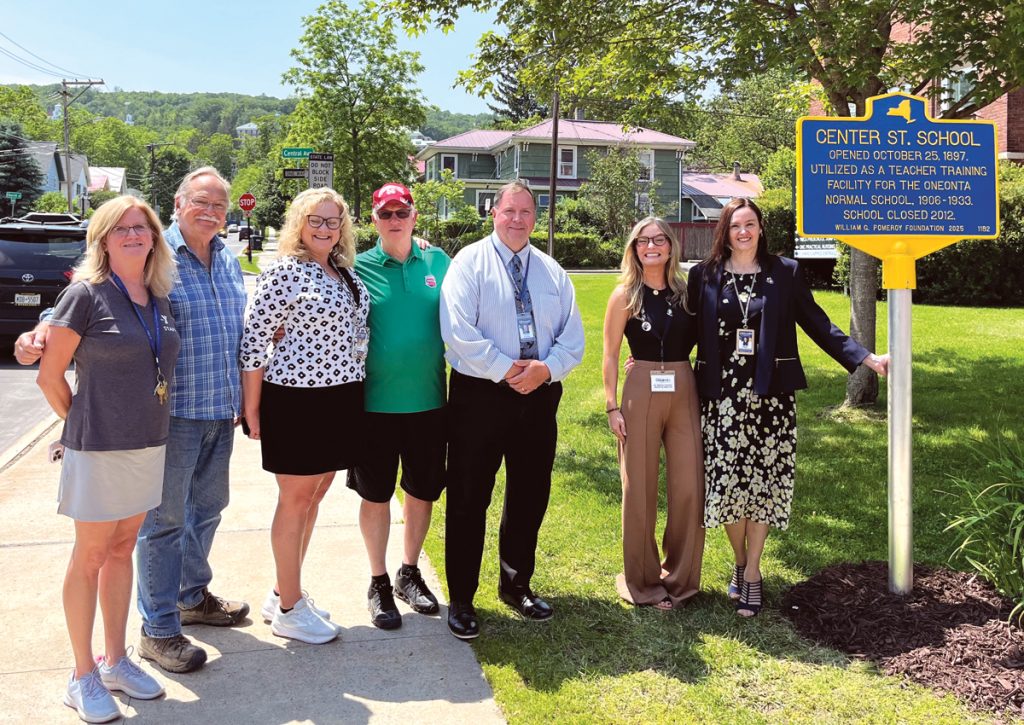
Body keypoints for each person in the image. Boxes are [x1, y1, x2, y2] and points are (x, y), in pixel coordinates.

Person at [16, 167, 250, 673]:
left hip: (219, 407)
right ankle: (160, 629)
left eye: (219, 205)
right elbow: (91, 288)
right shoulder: (152, 248)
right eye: (200, 202)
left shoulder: (227, 259)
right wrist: (40, 330)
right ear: (179, 202)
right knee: (161, 525)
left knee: (208, 509)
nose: (210, 212)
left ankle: (191, 596)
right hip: (168, 415)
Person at [689, 198, 889, 617]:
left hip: (771, 399)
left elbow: (818, 323)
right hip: (721, 399)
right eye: (734, 226)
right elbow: (687, 328)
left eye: (750, 224)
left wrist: (866, 358)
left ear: (761, 228)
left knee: (763, 486)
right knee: (725, 488)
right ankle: (739, 564)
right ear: (723, 232)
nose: (742, 232)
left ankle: (755, 572)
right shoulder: (704, 276)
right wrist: (649, 354)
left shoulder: (784, 272)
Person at [37, 197, 179, 722]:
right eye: (121, 228)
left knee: (123, 551)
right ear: (102, 238)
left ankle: (116, 660)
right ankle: (82, 675)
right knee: (91, 556)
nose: (133, 235)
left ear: (155, 237)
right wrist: (80, 426)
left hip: (148, 443)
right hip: (98, 449)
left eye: (142, 227)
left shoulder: (158, 297)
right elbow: (49, 375)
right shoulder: (85, 295)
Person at [440, 180, 585, 640]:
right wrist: (506, 370)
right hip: (480, 397)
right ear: (493, 213)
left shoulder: (551, 271)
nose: (518, 219)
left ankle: (515, 585)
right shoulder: (469, 263)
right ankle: (462, 599)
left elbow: (573, 338)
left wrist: (546, 370)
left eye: (526, 211)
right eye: (509, 210)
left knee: (529, 494)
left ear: (535, 218)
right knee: (468, 498)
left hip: (538, 397)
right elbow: (457, 331)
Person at [241, 187, 369, 645]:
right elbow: (254, 342)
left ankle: (283, 591)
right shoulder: (283, 273)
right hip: (296, 400)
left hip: (340, 397)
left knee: (316, 494)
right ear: (299, 223)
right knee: (295, 499)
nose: (324, 228)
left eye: (333, 221)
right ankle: (291, 611)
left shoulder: (342, 271)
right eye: (316, 219)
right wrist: (252, 409)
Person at [348, 183, 450, 629]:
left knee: (422, 491)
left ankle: (409, 573)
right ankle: (378, 582)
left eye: (401, 212)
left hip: (429, 400)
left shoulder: (438, 261)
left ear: (414, 216)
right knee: (375, 495)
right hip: (374, 406)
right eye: (385, 213)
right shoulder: (355, 266)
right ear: (374, 220)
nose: (394, 220)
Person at [602, 218, 704, 611]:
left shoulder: (688, 292)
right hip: (641, 389)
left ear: (670, 246)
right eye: (643, 241)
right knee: (638, 488)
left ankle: (679, 579)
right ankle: (643, 582)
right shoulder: (624, 294)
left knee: (689, 487)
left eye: (659, 239)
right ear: (634, 248)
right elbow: (609, 354)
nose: (651, 246)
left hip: (684, 386)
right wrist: (612, 405)